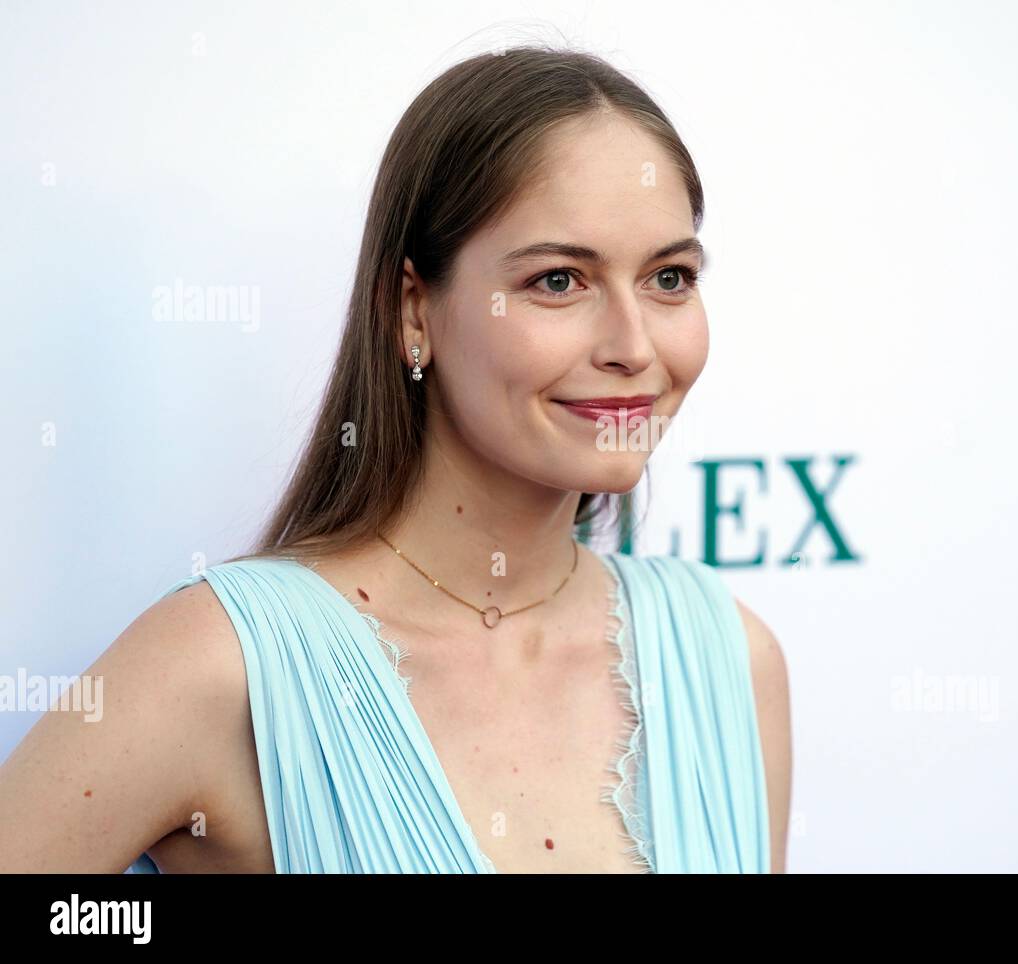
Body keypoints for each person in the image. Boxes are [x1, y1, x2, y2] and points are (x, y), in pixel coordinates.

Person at [0, 44, 791, 874]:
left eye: (670, 277)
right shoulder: (220, 668)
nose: (634, 346)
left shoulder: (730, 662)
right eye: (559, 282)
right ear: (413, 308)